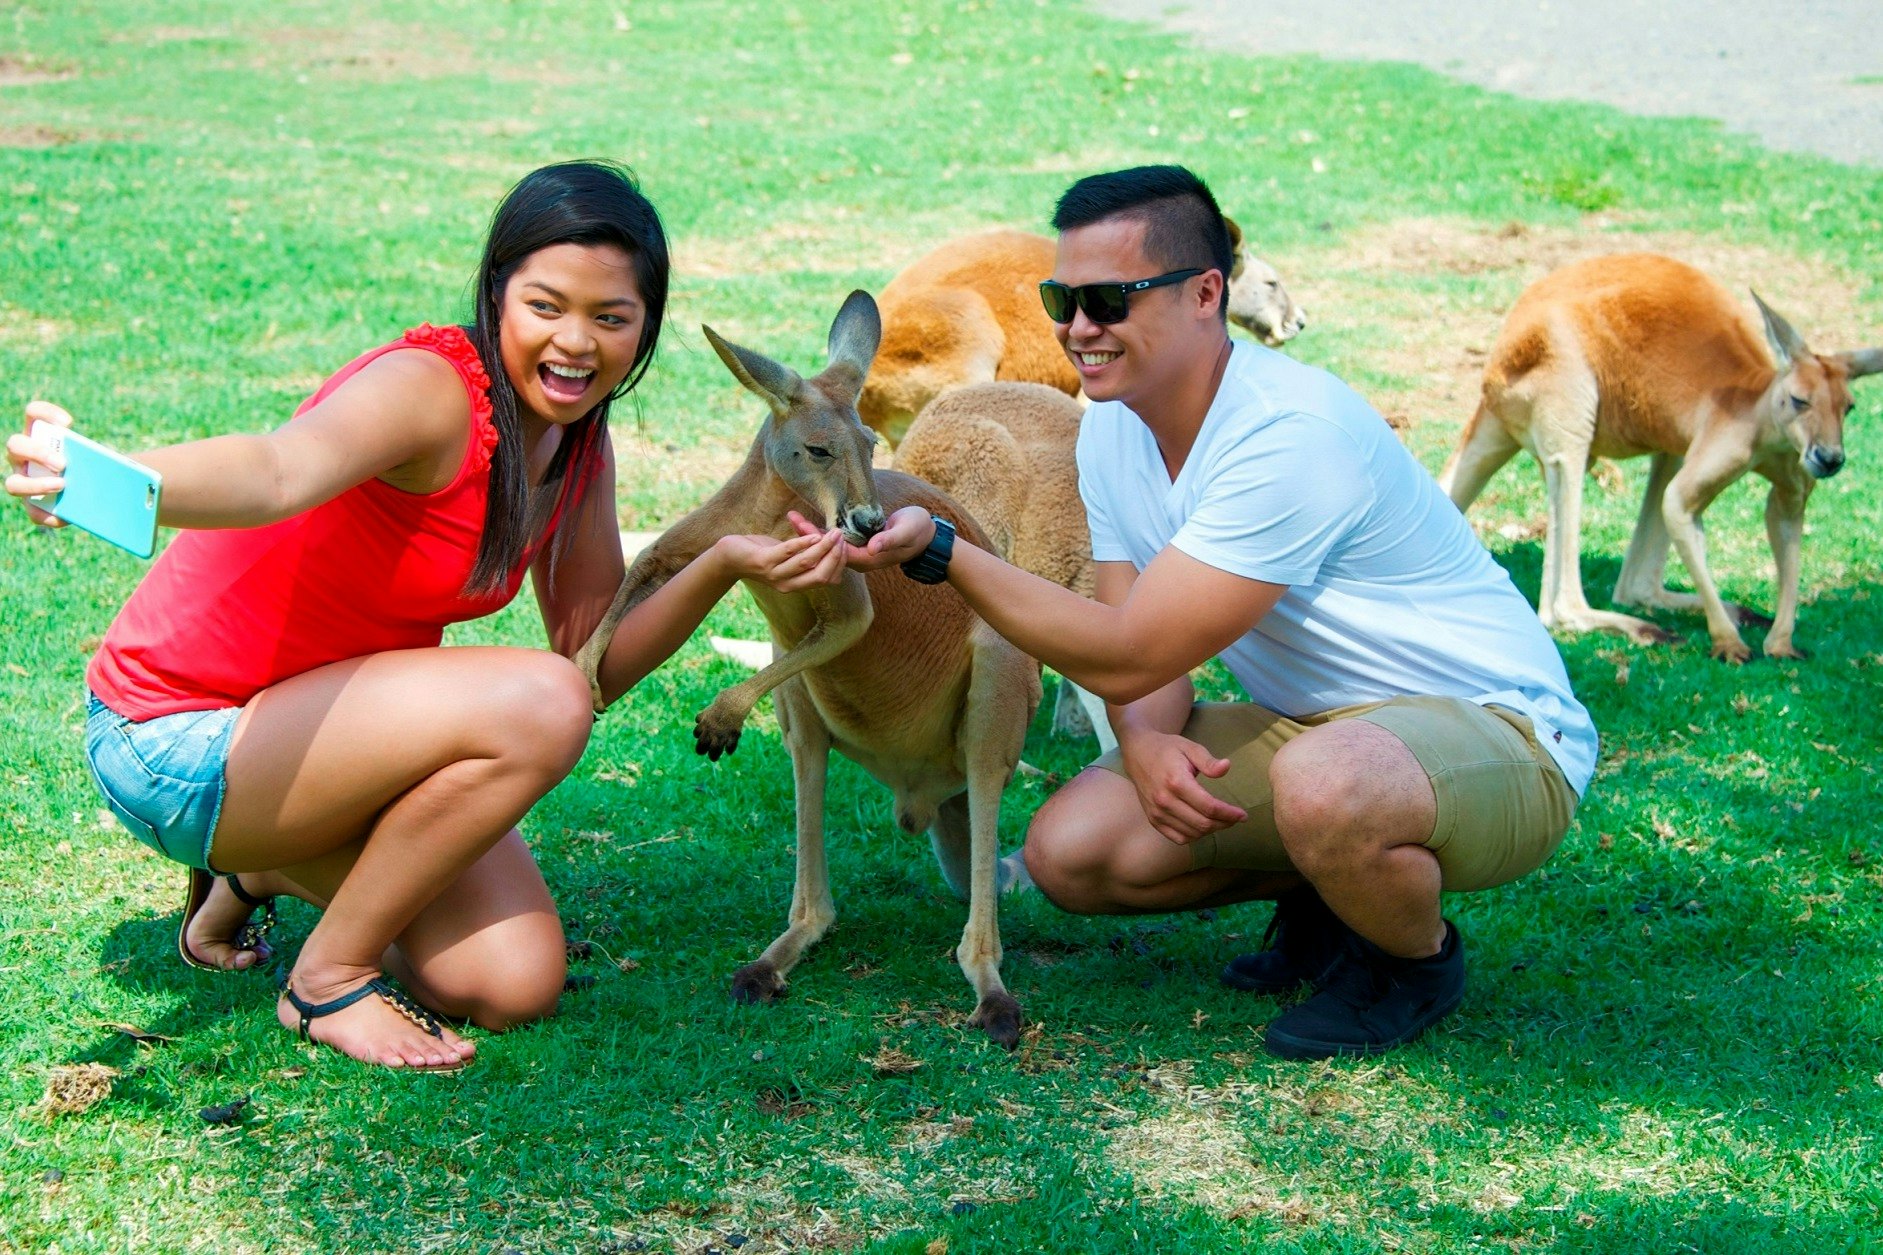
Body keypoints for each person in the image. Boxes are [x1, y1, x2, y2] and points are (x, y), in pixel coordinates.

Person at [6, 161, 849, 1071]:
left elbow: (596, 660)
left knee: (514, 980)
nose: (575, 343)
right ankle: (326, 977)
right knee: (542, 699)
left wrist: (722, 563)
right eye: (545, 306)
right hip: (172, 737)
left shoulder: (575, 442)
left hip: (306, 740)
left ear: (645, 326)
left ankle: (253, 870)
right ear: (497, 294)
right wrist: (104, 482)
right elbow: (278, 469)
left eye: (611, 318)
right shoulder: (432, 387)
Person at [809, 165, 1596, 1060]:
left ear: (1204, 294)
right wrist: (1144, 740)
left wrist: (945, 553)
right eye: (1062, 299)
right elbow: (1135, 638)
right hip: (1317, 730)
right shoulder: (1115, 426)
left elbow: (1128, 648)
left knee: (1325, 786)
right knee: (1071, 851)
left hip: (1503, 734)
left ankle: (1409, 962)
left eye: (1108, 300)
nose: (1077, 327)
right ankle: (1327, 891)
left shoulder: (1288, 435)